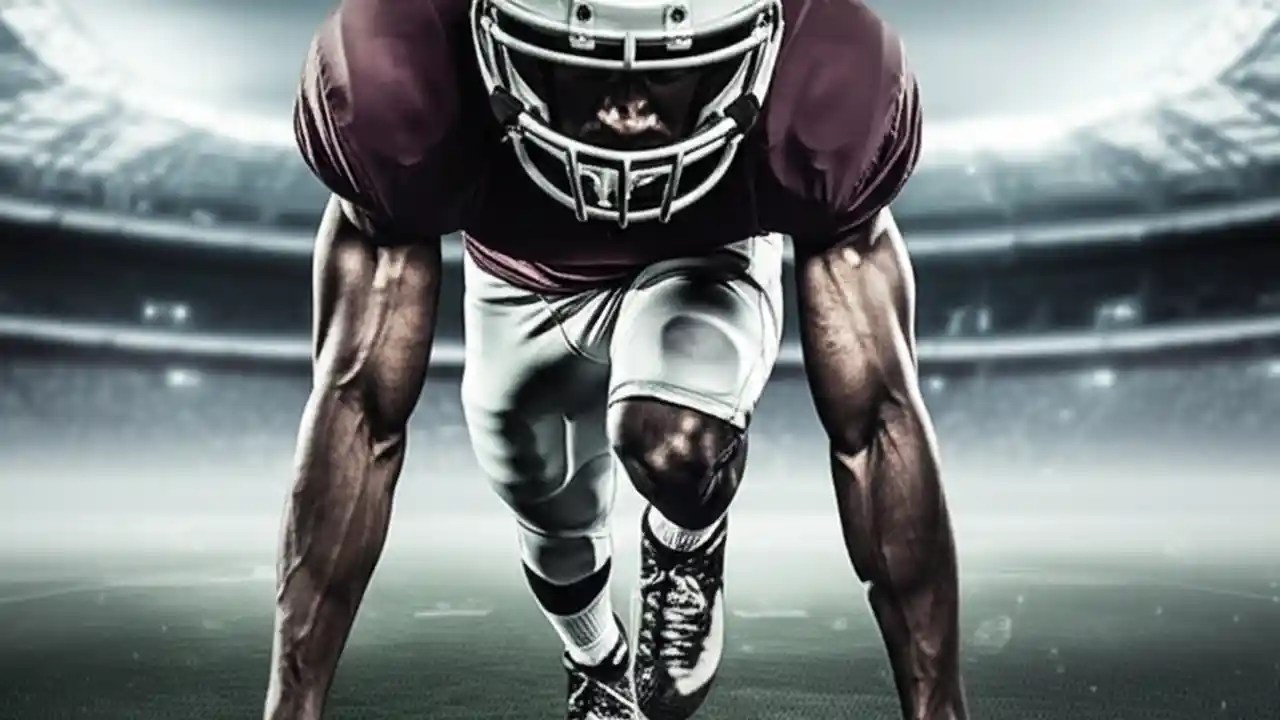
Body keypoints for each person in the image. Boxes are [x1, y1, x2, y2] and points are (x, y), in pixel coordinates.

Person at [264, 0, 967, 717]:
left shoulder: (821, 63)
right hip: (520, 283)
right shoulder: (408, 66)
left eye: (668, 68)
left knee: (676, 441)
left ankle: (684, 541)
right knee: (550, 513)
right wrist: (292, 704)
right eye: (579, 64)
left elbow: (879, 423)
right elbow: (356, 409)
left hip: (702, 261)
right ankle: (595, 659)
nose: (627, 117)